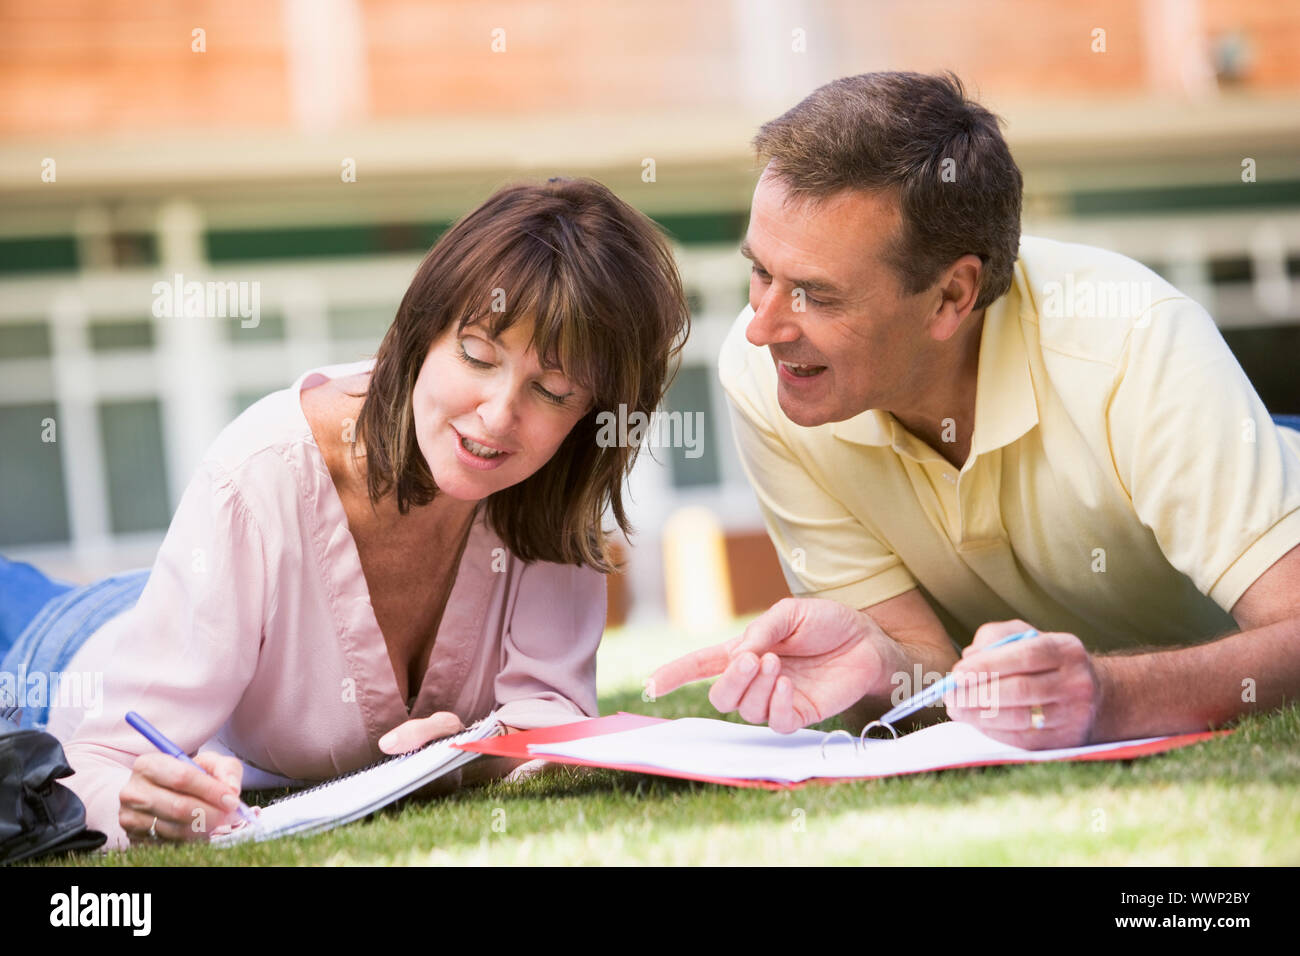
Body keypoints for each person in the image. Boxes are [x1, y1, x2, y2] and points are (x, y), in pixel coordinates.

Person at [0, 176, 689, 849]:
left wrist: (474, 754)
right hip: (70, 645)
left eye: (552, 390)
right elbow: (98, 758)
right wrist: (139, 806)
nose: (500, 414)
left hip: (172, 601)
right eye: (477, 354)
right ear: (422, 333)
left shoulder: (550, 491)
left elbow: (549, 715)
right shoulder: (262, 472)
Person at [650, 72, 1300, 750]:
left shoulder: (1136, 342)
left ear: (951, 296)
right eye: (761, 273)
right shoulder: (765, 379)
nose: (763, 328)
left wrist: (1108, 696)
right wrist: (880, 663)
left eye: (815, 294)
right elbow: (931, 680)